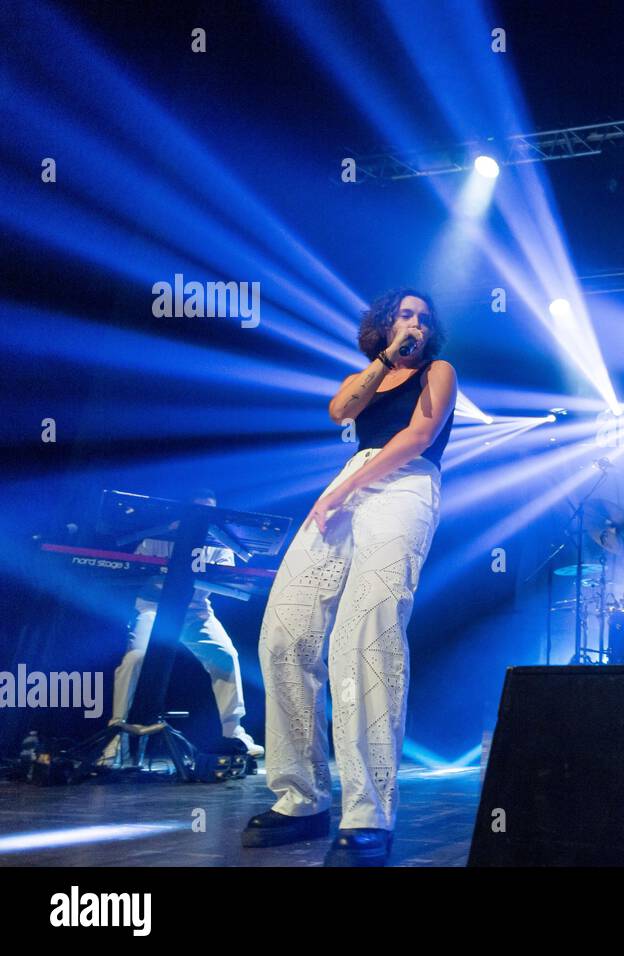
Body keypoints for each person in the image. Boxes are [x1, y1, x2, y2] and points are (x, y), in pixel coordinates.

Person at [243, 288, 456, 867]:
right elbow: (341, 411)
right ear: (386, 323)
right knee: (286, 634)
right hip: (353, 477)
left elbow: (418, 436)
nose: (416, 323)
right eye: (406, 315)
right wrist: (385, 360)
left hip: (405, 481)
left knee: (364, 633)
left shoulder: (439, 369)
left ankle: (368, 814)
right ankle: (301, 798)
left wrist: (341, 492)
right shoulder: (369, 372)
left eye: (423, 318)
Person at [99, 489, 262, 766]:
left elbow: (226, 581)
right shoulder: (158, 536)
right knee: (135, 658)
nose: (204, 518)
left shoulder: (222, 542)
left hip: (196, 613)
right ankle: (117, 736)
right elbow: (135, 569)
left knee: (226, 657)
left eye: (209, 512)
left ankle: (233, 733)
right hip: (153, 608)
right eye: (197, 511)